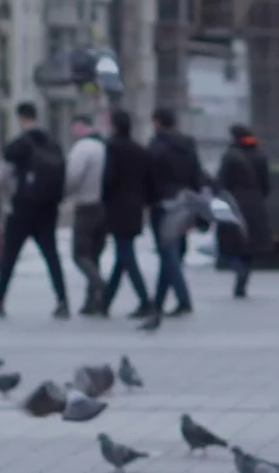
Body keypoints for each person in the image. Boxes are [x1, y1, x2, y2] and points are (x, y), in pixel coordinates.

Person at [0, 102, 71, 319]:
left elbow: (2, 176)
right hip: (48, 209)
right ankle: (62, 301)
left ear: (20, 118)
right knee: (52, 256)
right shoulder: (53, 143)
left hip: (22, 208)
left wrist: (11, 198)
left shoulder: (18, 145)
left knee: (9, 256)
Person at [141, 107, 208, 330]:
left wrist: (148, 200)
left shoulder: (157, 147)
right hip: (185, 202)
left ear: (157, 123)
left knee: (168, 253)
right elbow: (197, 175)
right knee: (174, 252)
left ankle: (183, 299)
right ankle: (159, 301)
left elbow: (149, 178)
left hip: (163, 204)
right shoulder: (188, 146)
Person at [100, 109, 154, 317]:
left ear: (114, 126)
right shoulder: (140, 151)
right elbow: (149, 181)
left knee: (126, 255)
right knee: (123, 255)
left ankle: (145, 300)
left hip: (117, 206)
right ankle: (105, 301)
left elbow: (108, 179)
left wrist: (104, 201)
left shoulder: (112, 148)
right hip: (135, 206)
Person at [216, 123, 273, 298]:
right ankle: (244, 274)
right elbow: (266, 185)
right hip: (255, 203)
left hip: (234, 203)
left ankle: (238, 269)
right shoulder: (260, 155)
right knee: (249, 244)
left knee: (233, 243)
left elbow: (222, 182)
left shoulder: (230, 156)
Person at [64, 114, 109, 315]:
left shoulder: (83, 148)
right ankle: (92, 301)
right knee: (95, 255)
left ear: (81, 126)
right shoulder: (105, 147)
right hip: (105, 207)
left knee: (80, 254)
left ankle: (100, 285)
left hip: (86, 205)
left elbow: (72, 177)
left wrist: (62, 193)